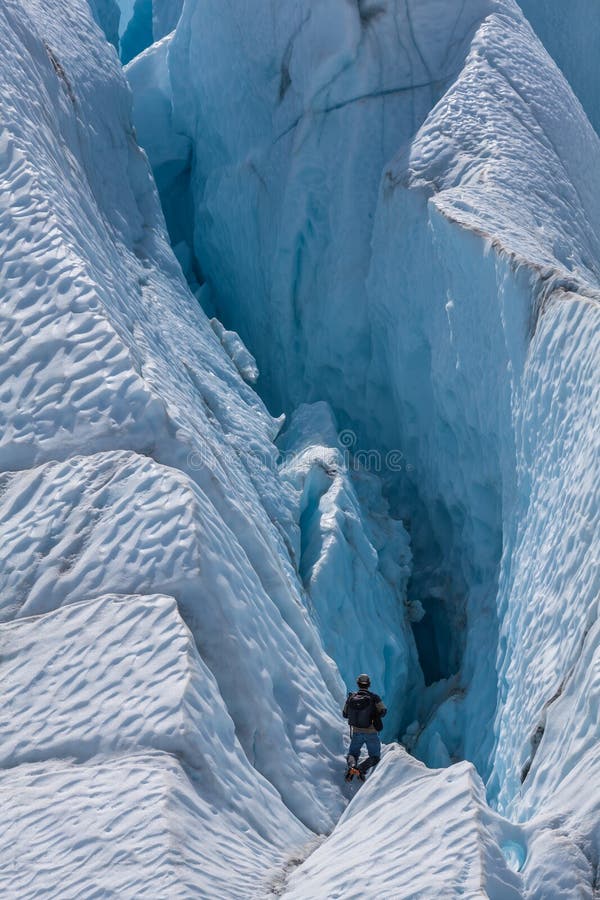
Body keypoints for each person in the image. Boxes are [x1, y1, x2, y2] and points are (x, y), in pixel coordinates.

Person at [343, 673, 387, 781]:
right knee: (375, 757)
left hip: (357, 732)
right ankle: (361, 769)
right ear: (369, 684)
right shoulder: (374, 697)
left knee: (352, 754)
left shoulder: (351, 697)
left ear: (358, 684)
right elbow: (383, 711)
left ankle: (352, 767)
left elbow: (344, 714)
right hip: (371, 732)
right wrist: (374, 714)